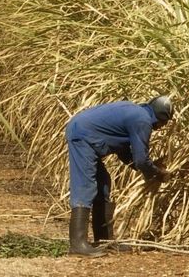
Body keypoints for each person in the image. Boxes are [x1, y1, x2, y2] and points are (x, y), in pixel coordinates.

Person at [64, 95, 173, 256]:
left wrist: (149, 167)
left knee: (103, 185)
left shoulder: (136, 113)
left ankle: (104, 241)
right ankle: (77, 245)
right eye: (164, 122)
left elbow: (125, 153)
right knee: (85, 185)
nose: (162, 127)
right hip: (82, 136)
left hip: (83, 131)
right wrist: (158, 173)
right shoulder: (142, 121)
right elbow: (141, 160)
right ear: (161, 117)